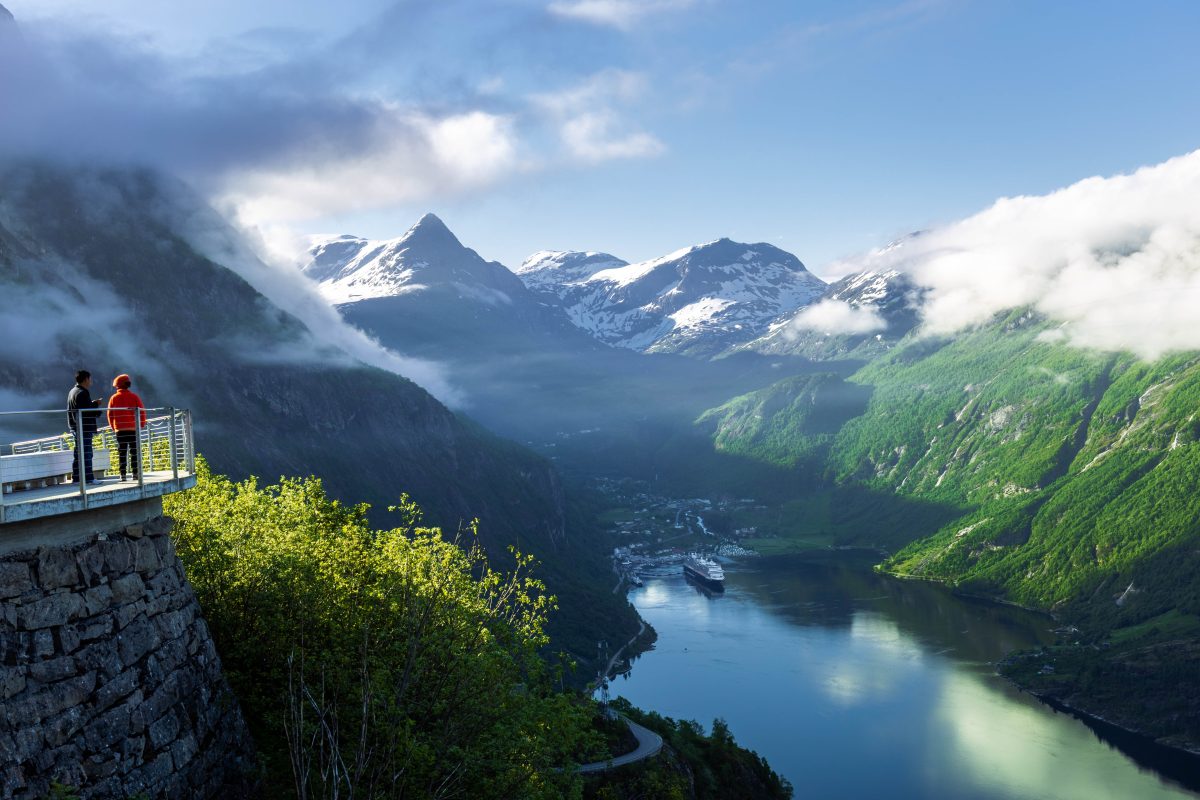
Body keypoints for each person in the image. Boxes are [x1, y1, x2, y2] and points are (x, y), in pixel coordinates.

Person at [67, 369, 105, 484]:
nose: (90, 381)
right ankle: (89, 478)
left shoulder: (72, 391)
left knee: (79, 453)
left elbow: (81, 407)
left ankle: (77, 478)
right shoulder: (83, 392)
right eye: (90, 379)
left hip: (75, 426)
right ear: (85, 379)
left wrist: (92, 404)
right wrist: (96, 405)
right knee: (87, 453)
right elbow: (87, 411)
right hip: (84, 427)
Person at [107, 374, 147, 481]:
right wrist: (141, 424)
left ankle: (123, 475)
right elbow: (142, 411)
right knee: (134, 452)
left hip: (120, 430)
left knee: (122, 452)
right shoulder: (134, 397)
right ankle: (135, 474)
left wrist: (113, 427)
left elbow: (110, 414)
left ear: (117, 385)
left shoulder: (113, 398)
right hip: (133, 429)